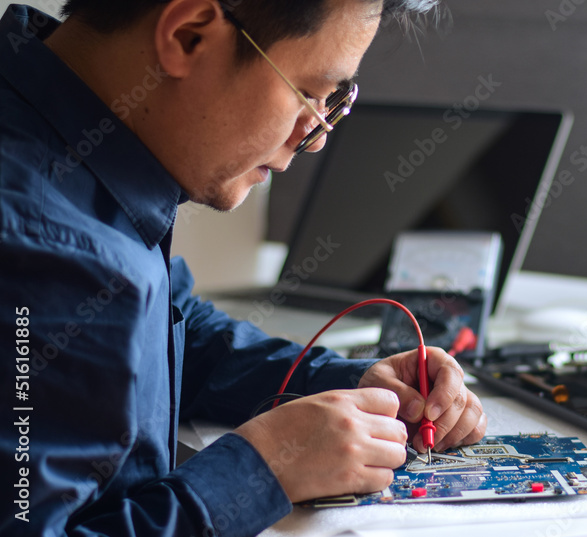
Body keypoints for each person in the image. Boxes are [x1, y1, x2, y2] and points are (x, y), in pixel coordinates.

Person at [0, 0, 486, 535]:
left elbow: (170, 326)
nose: (317, 135)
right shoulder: (43, 249)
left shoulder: (73, 155)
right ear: (188, 36)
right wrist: (263, 469)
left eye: (336, 101)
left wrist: (344, 383)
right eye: (311, 92)